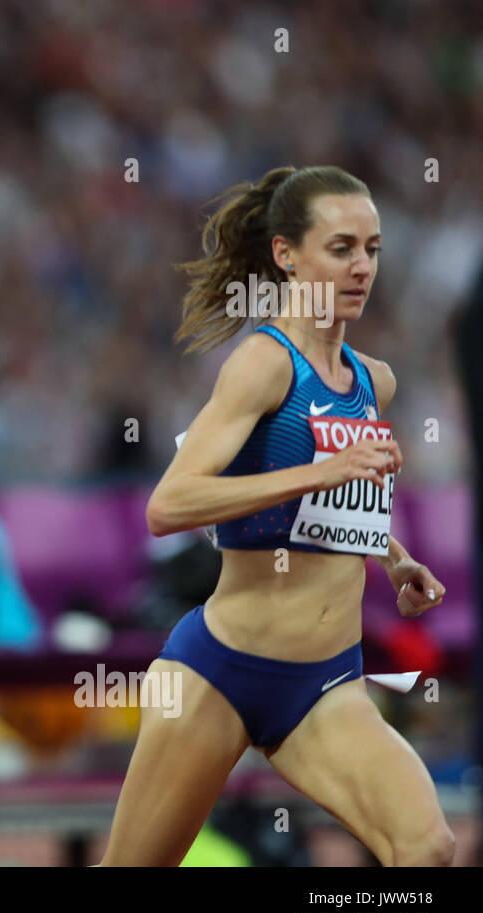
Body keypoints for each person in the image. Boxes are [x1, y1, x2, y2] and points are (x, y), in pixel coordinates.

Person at [100, 166, 455, 867]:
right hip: (219, 672)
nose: (362, 267)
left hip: (325, 684)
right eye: (342, 247)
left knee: (427, 850)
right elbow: (169, 505)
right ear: (287, 255)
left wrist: (393, 557)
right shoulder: (263, 365)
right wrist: (319, 472)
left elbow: (331, 507)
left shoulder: (371, 380)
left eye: (373, 250)